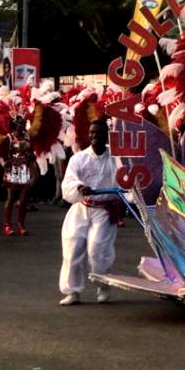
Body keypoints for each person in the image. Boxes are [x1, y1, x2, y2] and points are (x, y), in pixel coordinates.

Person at [59, 120, 122, 306]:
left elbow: (126, 180)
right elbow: (69, 181)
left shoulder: (117, 158)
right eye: (92, 132)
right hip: (81, 208)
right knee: (72, 248)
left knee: (98, 250)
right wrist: (79, 187)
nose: (95, 136)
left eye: (100, 133)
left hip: (104, 211)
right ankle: (72, 291)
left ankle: (103, 286)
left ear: (107, 135)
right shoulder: (79, 158)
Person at [1, 115, 38, 237]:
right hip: (13, 169)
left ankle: (21, 224)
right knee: (11, 198)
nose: (23, 125)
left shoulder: (27, 137)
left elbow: (31, 152)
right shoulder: (9, 137)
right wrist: (8, 166)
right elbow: (4, 156)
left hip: (25, 170)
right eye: (20, 123)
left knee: (23, 199)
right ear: (15, 124)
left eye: (24, 123)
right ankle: (7, 224)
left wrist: (32, 160)